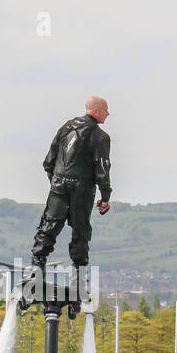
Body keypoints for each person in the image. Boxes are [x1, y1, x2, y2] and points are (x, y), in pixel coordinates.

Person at [31, 96, 112, 271]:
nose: (108, 113)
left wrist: (55, 182)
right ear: (96, 111)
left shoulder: (66, 128)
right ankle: (79, 272)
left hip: (58, 182)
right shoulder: (100, 137)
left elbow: (48, 161)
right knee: (80, 229)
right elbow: (102, 169)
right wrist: (105, 197)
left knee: (49, 224)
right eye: (106, 110)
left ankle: (37, 264)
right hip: (82, 187)